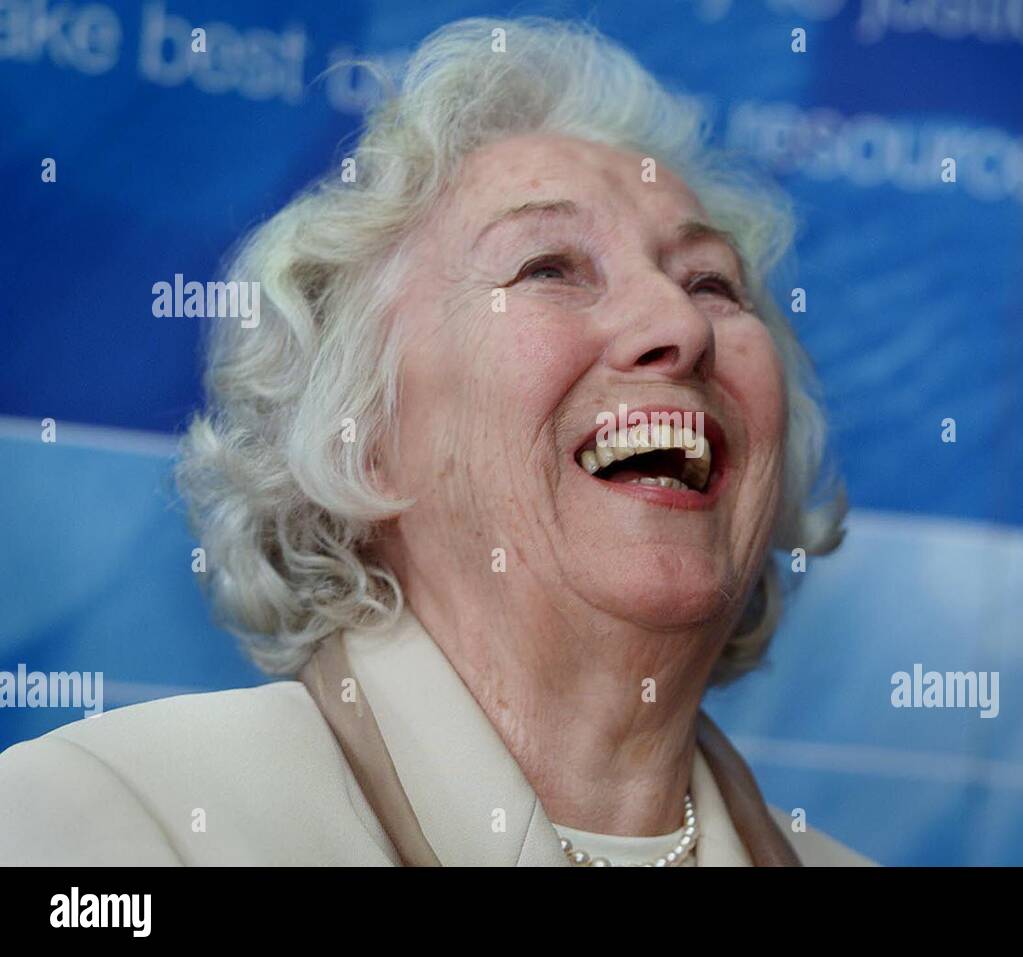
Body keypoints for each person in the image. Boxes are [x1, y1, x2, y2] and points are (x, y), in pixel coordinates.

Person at [0, 16, 864, 867]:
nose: (678, 324)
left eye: (712, 283)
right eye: (549, 268)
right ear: (358, 435)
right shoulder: (108, 819)